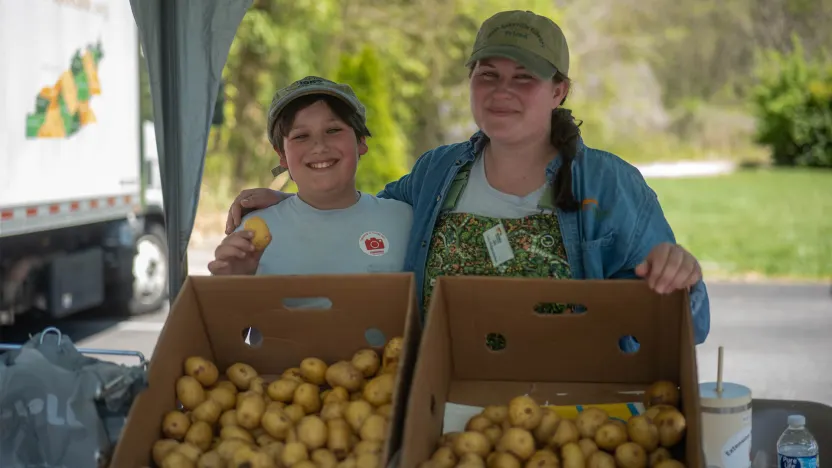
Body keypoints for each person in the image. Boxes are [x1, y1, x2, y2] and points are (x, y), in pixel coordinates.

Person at [217, 11, 710, 349]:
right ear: (471, 80)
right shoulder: (438, 172)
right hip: (444, 408)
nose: (502, 91)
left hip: (570, 413)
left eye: (524, 77)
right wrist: (295, 201)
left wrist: (683, 277)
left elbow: (690, 324)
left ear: (558, 90)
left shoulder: (610, 183)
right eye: (488, 74)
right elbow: (358, 211)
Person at [208, 76, 413, 278]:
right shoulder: (249, 236)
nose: (319, 146)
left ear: (361, 141)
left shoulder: (406, 220)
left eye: (333, 130)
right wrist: (234, 283)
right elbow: (219, 309)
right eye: (301, 136)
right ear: (282, 155)